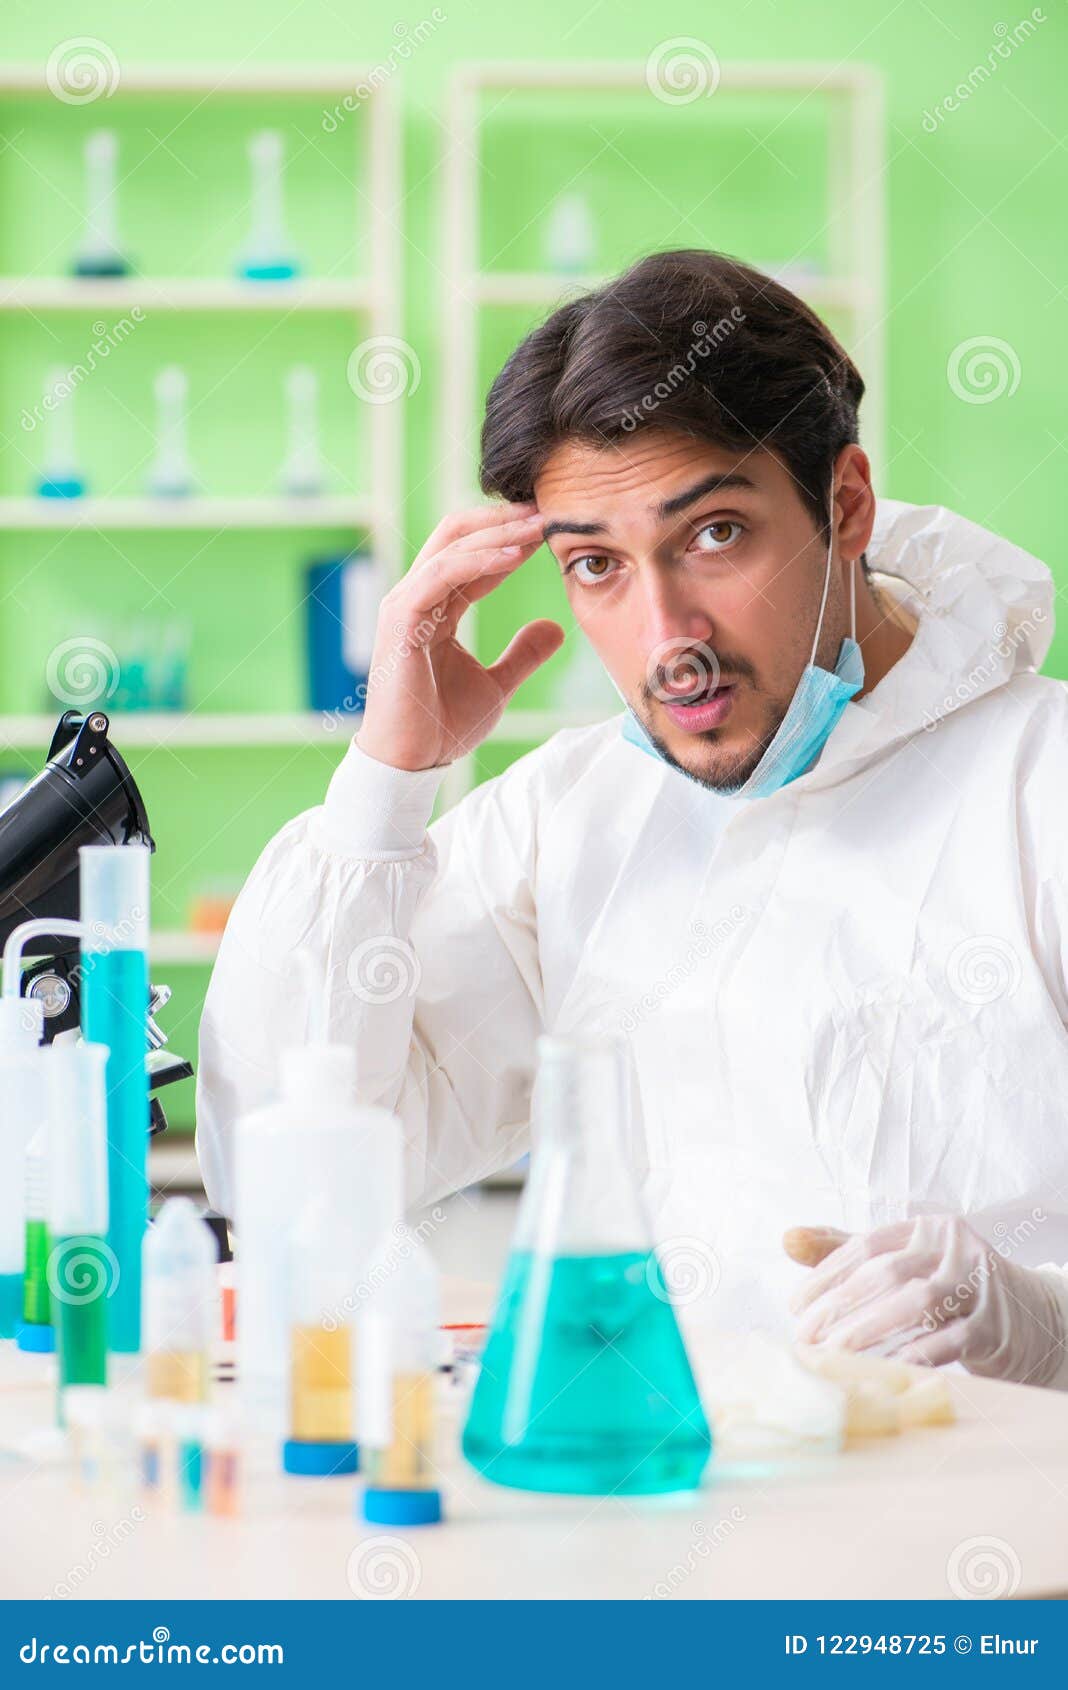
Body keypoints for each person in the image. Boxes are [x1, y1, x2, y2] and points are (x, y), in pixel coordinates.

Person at [197, 249, 1068, 1389]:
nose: (668, 637)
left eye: (714, 535)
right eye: (598, 564)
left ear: (843, 504)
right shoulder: (573, 817)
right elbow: (289, 1162)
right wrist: (387, 778)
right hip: (670, 1526)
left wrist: (1038, 1322)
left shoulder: (1037, 791)